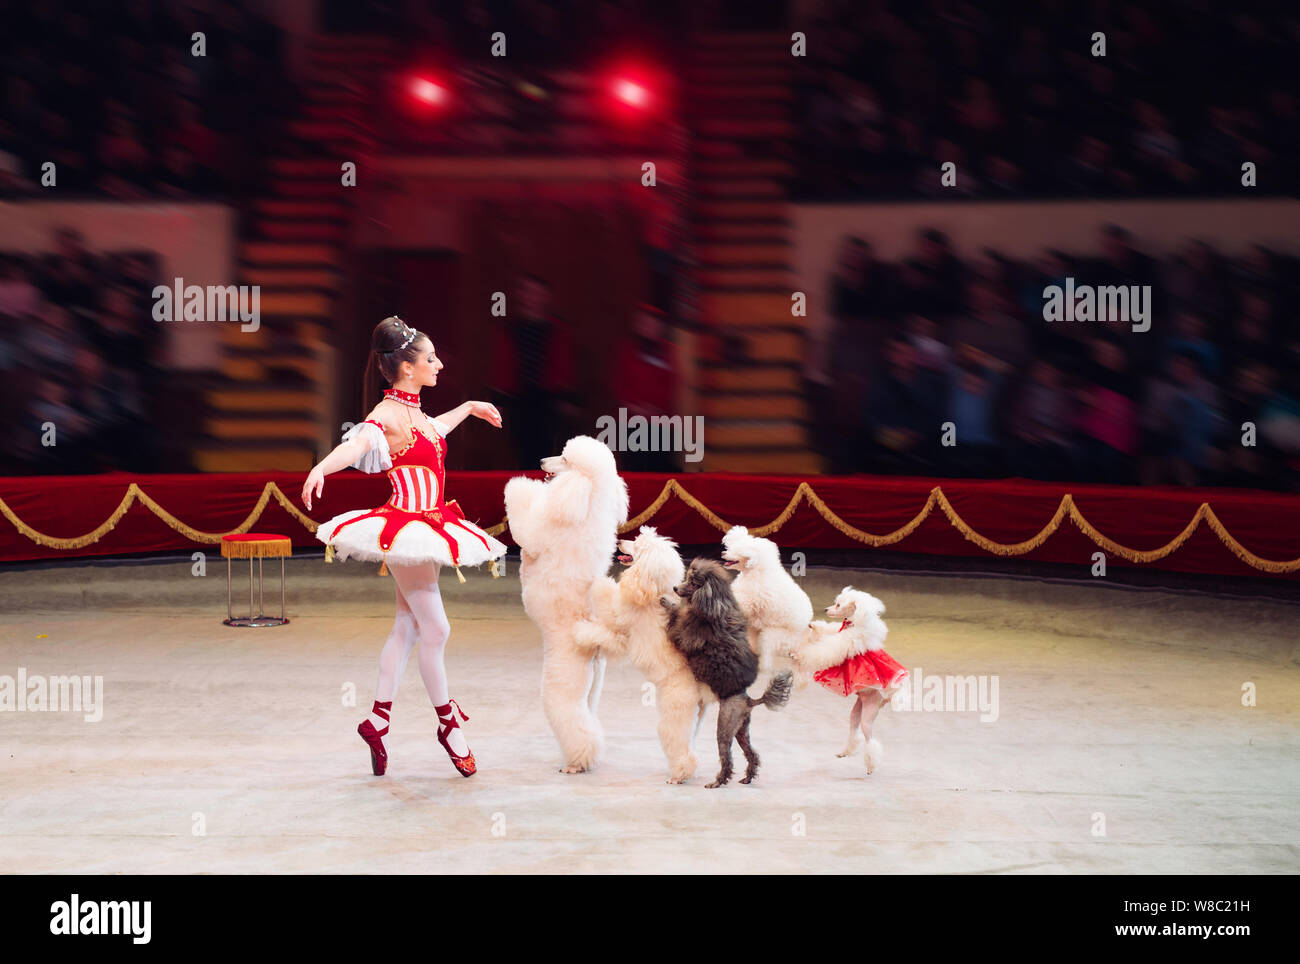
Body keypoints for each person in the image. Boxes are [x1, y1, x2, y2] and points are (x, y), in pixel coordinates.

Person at [302, 316, 507, 778]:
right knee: (437, 630)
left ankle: (377, 721)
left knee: (408, 629)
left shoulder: (414, 412)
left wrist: (469, 407)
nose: (439, 364)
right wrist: (323, 469)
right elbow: (358, 444)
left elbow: (435, 430)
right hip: (407, 530)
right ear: (409, 368)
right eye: (430, 358)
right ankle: (449, 724)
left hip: (429, 523)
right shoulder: (387, 415)